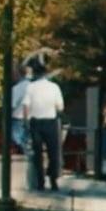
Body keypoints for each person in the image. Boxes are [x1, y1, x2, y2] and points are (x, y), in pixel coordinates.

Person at [18, 56, 68, 194]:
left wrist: (25, 122)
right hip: (50, 122)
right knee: (54, 152)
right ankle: (53, 181)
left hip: (36, 122)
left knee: (37, 154)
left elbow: (26, 106)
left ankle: (40, 182)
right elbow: (60, 107)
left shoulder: (31, 88)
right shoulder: (54, 87)